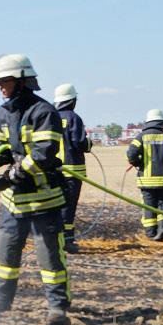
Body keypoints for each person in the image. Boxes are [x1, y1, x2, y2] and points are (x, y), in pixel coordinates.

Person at [0, 54, 71, 325]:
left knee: (50, 258)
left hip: (43, 201)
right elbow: (3, 145)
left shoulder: (43, 112)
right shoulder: (3, 113)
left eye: (4, 80)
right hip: (13, 203)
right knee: (5, 255)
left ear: (22, 80)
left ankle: (57, 308)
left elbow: (44, 153)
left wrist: (12, 175)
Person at [127, 109, 163, 241]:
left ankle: (151, 233)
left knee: (149, 205)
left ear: (148, 122)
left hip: (148, 180)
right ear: (162, 122)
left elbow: (131, 154)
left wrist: (137, 163)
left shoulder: (141, 137)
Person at [52, 84, 92, 253]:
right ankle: (67, 240)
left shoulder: (50, 117)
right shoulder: (73, 118)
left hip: (53, 171)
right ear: (72, 101)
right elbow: (79, 143)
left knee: (55, 205)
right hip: (72, 171)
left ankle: (55, 238)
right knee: (68, 207)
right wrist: (89, 144)